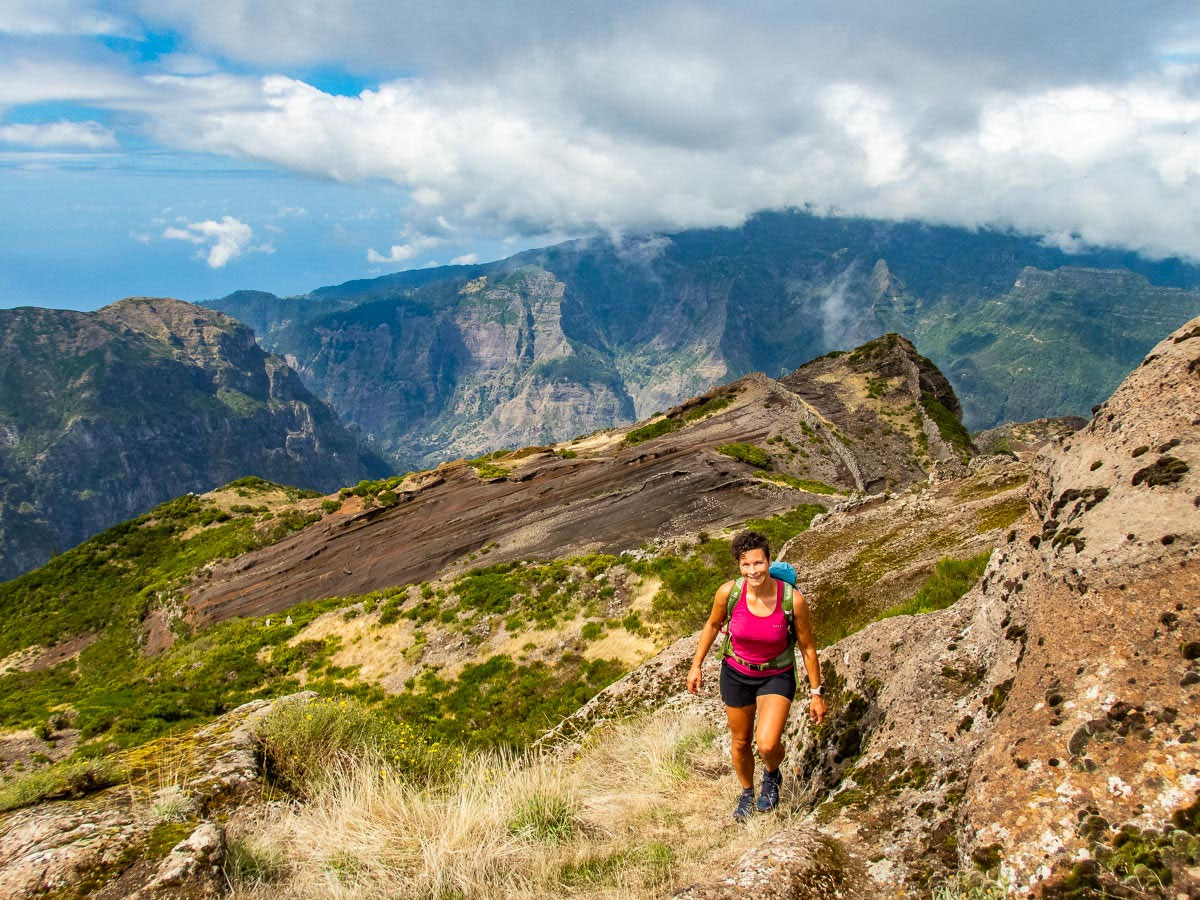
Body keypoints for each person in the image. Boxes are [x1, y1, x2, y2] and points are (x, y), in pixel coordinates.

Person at [686, 529, 826, 821]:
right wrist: (696, 665)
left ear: (769, 561)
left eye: (758, 563)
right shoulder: (729, 593)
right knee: (740, 741)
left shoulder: (792, 600)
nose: (753, 570)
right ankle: (748, 792)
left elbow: (808, 647)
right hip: (736, 674)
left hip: (776, 675)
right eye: (746, 564)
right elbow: (712, 626)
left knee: (767, 744)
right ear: (739, 565)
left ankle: (772, 774)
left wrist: (816, 693)